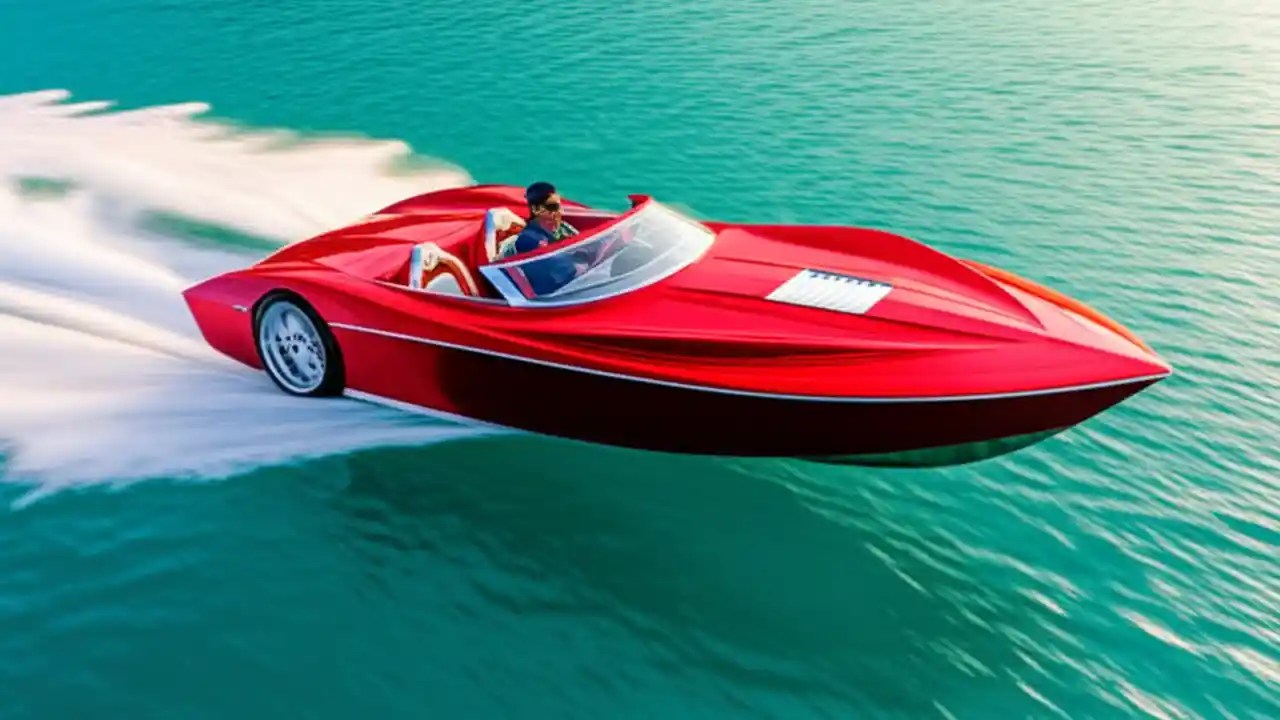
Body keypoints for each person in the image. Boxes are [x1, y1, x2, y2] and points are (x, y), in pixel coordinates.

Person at [504, 181, 578, 258]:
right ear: (535, 209)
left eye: (559, 206)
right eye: (552, 207)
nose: (560, 212)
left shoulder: (563, 228)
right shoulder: (528, 239)